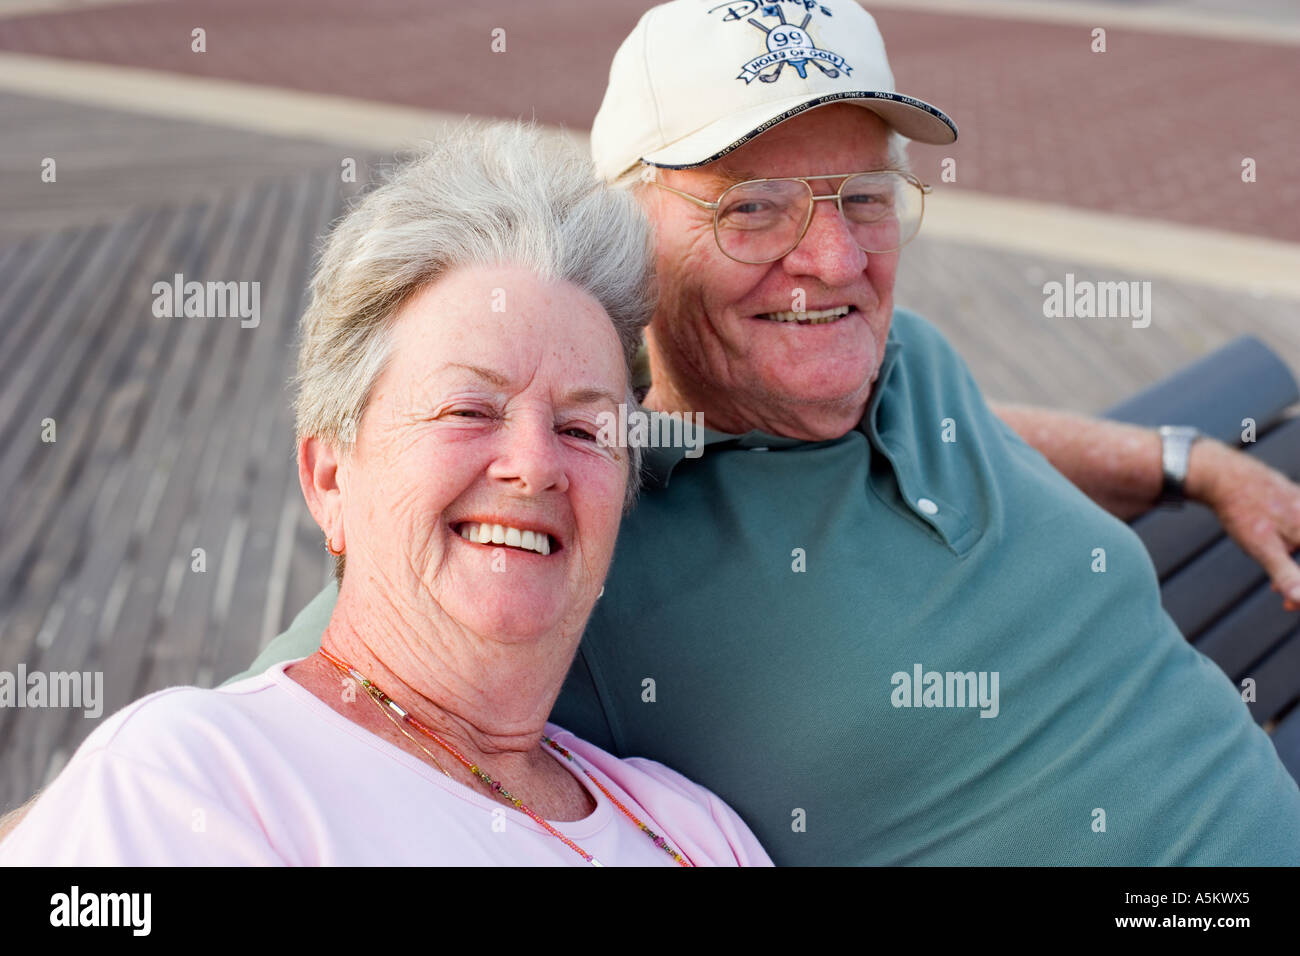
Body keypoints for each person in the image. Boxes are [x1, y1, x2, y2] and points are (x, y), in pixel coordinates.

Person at [5, 0, 1299, 864]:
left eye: (863, 194)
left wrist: (1185, 461)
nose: (833, 256)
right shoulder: (583, 511)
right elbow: (313, 692)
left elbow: (983, 433)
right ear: (635, 226)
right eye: (754, 210)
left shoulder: (899, 366)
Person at [0, 122, 770, 866]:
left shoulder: (693, 829)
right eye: (470, 410)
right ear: (329, 477)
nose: (535, 465)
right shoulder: (198, 780)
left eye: (582, 428)